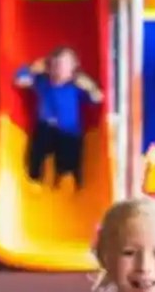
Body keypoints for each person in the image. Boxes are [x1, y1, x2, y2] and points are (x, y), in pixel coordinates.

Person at [14, 46, 103, 189]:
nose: (59, 70)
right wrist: (32, 68)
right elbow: (20, 80)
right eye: (56, 65)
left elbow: (98, 98)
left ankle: (67, 176)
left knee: (70, 151)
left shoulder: (76, 86)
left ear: (73, 69)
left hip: (69, 131)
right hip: (46, 128)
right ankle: (35, 177)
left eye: (64, 66)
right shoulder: (43, 81)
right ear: (49, 67)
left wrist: (90, 87)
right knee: (38, 145)